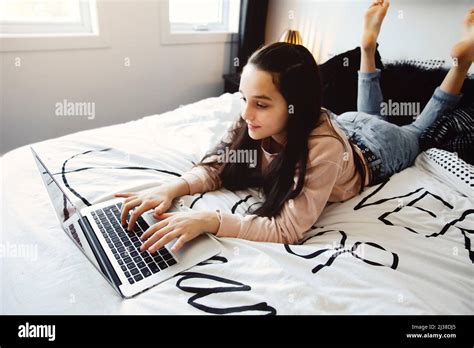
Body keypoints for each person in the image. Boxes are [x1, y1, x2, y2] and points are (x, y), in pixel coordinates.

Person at [115, 0, 473, 253]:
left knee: (418, 131)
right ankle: (367, 49)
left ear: (294, 105)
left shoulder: (322, 147)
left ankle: (458, 67)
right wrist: (172, 188)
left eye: (260, 103)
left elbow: (287, 229)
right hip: (348, 125)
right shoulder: (252, 123)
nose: (245, 113)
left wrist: (210, 220)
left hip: (376, 150)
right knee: (371, 112)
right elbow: (215, 167)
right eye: (243, 98)